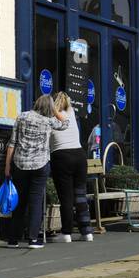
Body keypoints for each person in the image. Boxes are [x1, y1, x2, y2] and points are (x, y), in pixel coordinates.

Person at [4, 93, 58, 248]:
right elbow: (65, 123)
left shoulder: (22, 117)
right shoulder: (49, 121)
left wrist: (7, 166)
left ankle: (13, 239)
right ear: (49, 107)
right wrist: (54, 110)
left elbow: (12, 143)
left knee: (19, 202)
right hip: (40, 165)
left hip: (20, 164)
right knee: (36, 202)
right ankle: (33, 239)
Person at [47, 92, 93, 244]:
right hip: (79, 155)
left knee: (65, 197)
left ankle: (66, 233)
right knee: (80, 195)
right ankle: (87, 232)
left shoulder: (50, 117)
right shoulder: (71, 113)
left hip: (61, 156)